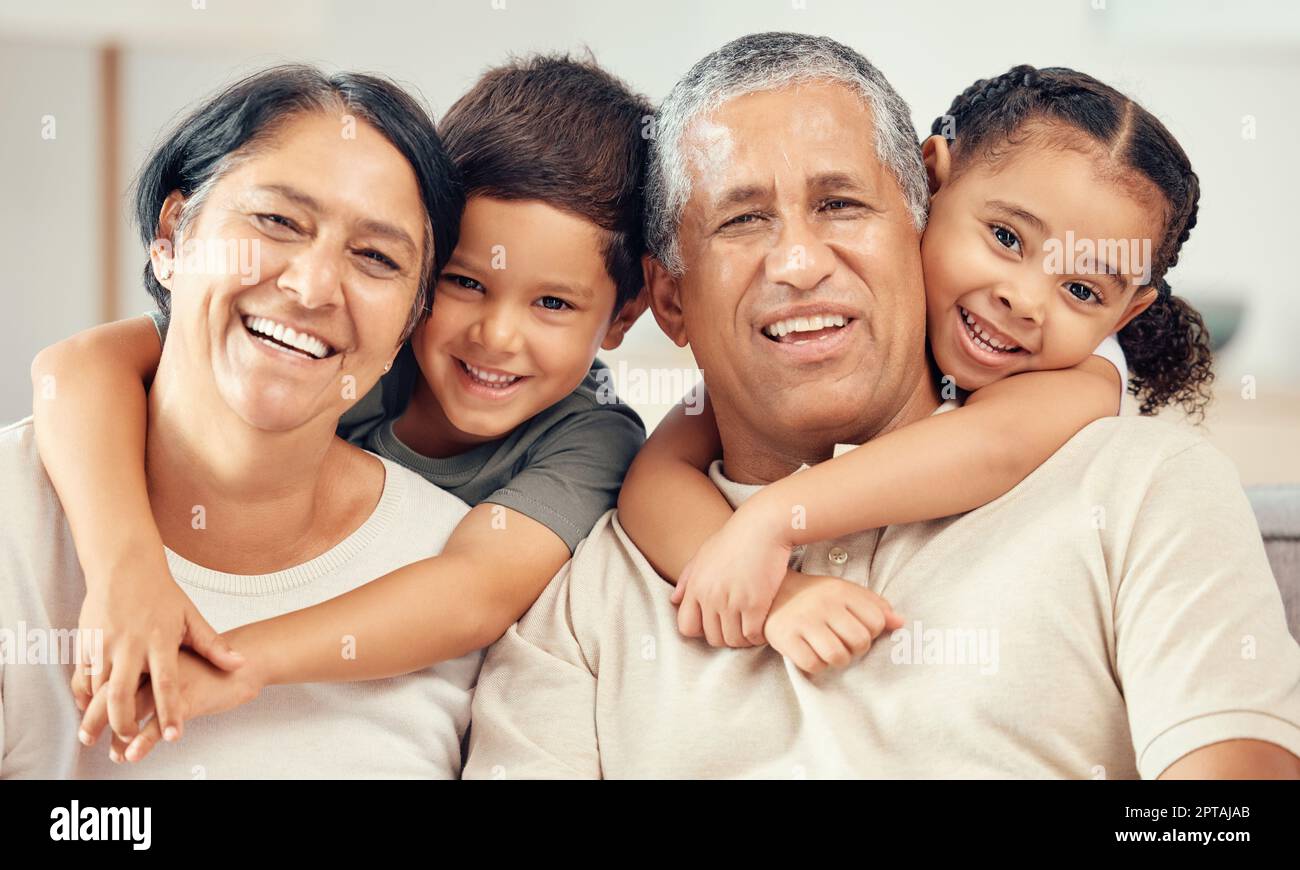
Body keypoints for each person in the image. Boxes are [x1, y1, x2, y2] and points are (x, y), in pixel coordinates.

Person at [462, 32, 1300, 779]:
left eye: (841, 204)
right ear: (670, 302)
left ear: (919, 215)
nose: (798, 262)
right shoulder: (582, 589)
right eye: (745, 219)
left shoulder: (1141, 483)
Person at [28, 55, 653, 763]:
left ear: (622, 319)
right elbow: (75, 365)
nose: (496, 336)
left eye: (552, 303)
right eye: (465, 282)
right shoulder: (334, 349)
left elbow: (470, 593)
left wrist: (237, 661)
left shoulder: (590, 435)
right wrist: (127, 569)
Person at [618, 64, 1216, 663]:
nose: (1025, 301)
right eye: (1007, 239)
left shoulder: (1084, 376)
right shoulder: (862, 324)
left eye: (1082, 290)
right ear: (930, 181)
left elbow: (991, 444)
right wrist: (776, 593)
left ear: (1124, 315)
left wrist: (774, 518)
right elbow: (654, 480)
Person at [1, 64, 488, 778]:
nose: (314, 286)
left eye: (377, 258)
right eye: (277, 221)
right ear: (172, 236)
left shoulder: (451, 571)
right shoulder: (16, 517)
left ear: (411, 320)